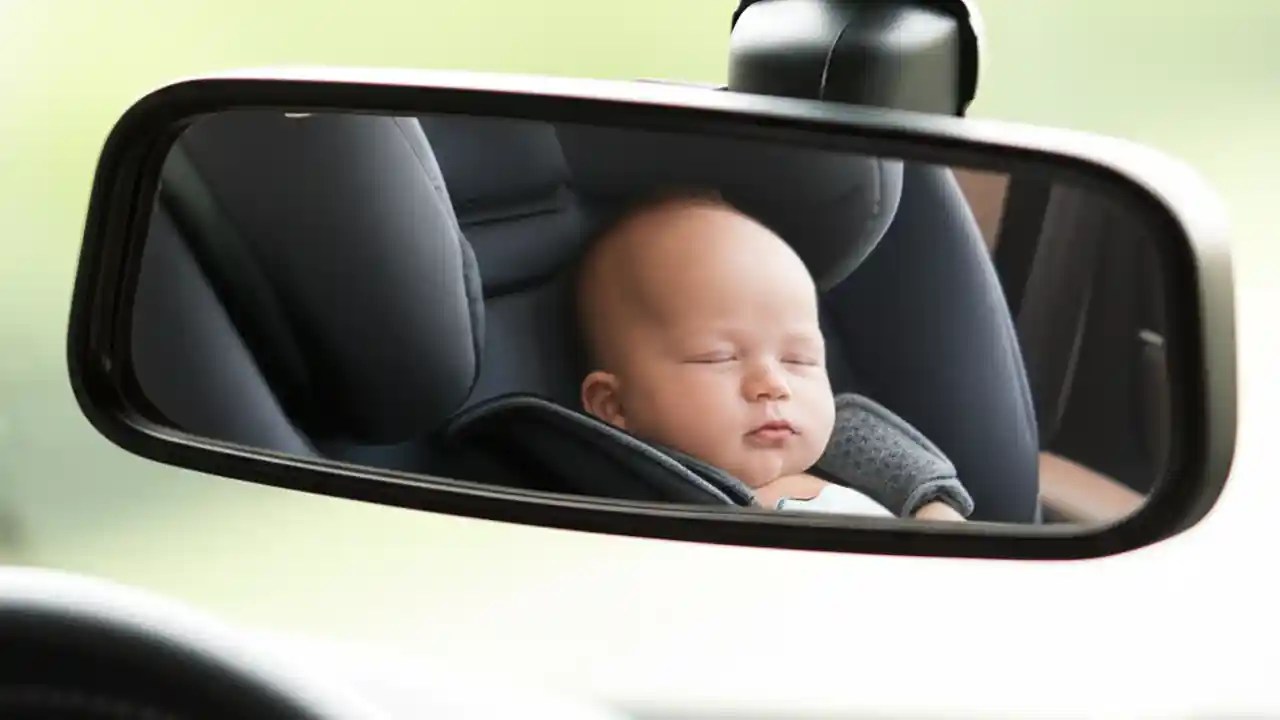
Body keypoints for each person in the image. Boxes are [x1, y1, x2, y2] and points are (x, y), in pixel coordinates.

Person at [575, 189, 972, 521]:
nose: (773, 385)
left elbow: (908, 470)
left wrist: (935, 512)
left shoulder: (839, 447)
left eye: (799, 360)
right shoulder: (646, 506)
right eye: (719, 357)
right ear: (615, 406)